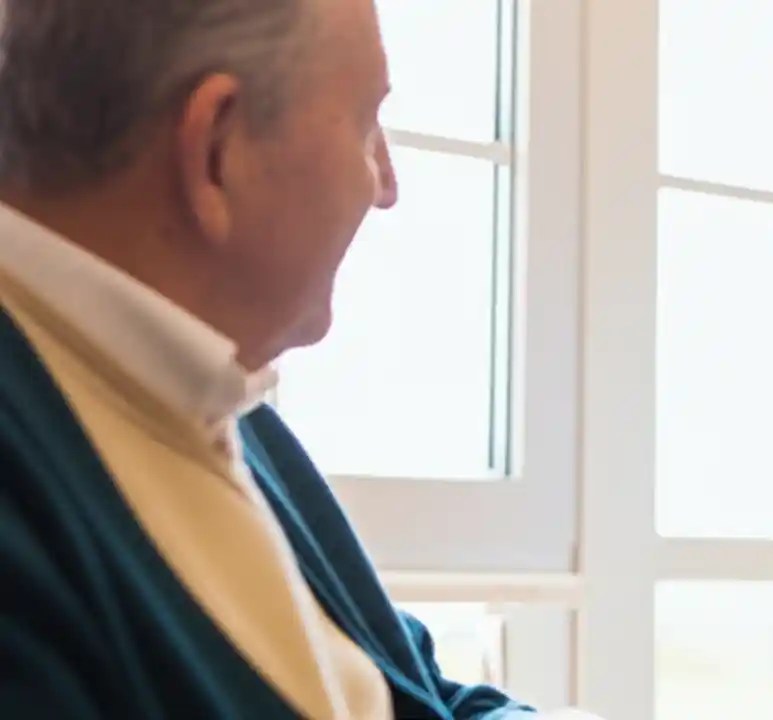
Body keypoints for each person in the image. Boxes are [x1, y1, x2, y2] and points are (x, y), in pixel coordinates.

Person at [0, 1, 597, 719]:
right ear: (219, 150)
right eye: (364, 124)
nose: (386, 184)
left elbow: (416, 698)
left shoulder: (225, 411)